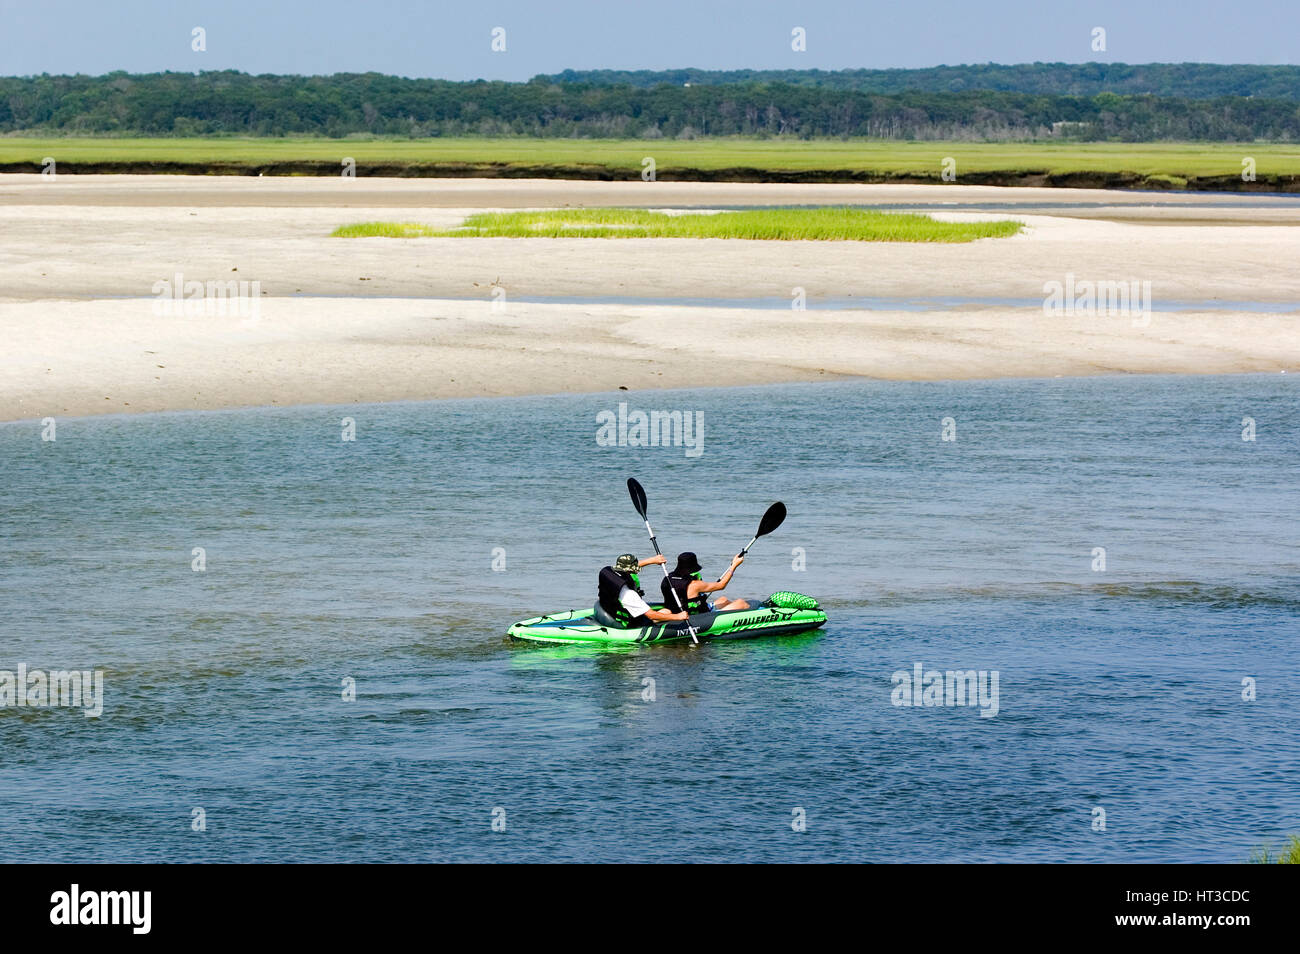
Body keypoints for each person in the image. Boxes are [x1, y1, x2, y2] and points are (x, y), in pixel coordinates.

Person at [597, 553, 689, 627]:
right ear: (629, 571)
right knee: (667, 611)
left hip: (608, 607)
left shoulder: (609, 572)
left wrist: (653, 560)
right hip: (625, 621)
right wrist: (677, 616)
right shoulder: (629, 594)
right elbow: (651, 615)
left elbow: (629, 567)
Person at [661, 551, 750, 614]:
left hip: (677, 611)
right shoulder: (695, 584)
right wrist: (734, 565)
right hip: (697, 616)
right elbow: (722, 585)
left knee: (723, 600)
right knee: (741, 603)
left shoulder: (667, 579)